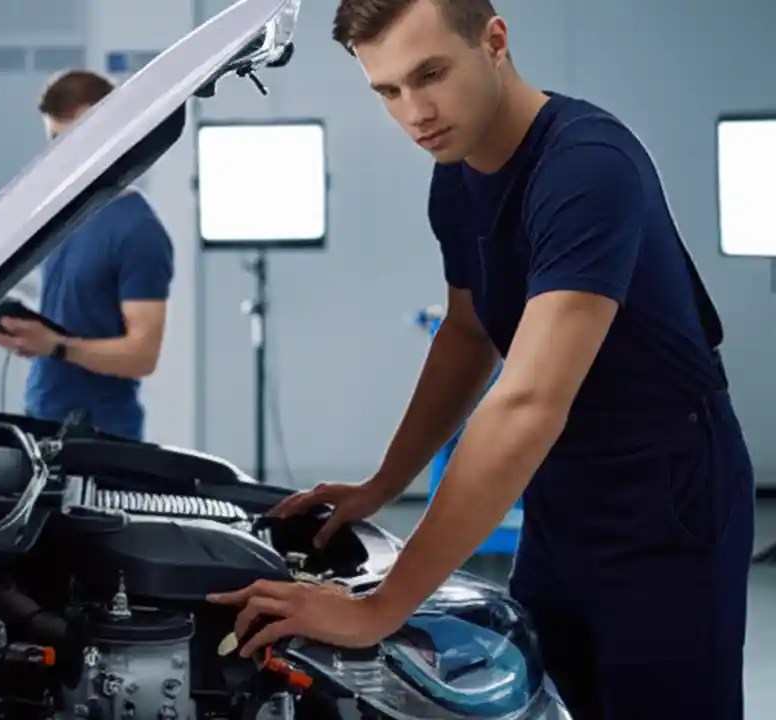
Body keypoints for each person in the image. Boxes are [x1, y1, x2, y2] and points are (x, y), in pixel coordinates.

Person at [206, 1, 754, 718]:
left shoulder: (589, 166)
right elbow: (468, 334)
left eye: (430, 74)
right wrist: (382, 483)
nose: (414, 112)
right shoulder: (458, 176)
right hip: (564, 491)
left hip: (668, 496)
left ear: (494, 41)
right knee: (551, 692)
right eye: (388, 91)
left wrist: (382, 608)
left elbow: (527, 402)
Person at [0, 69, 175, 441]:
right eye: (57, 140)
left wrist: (56, 347)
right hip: (42, 418)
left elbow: (142, 355)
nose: (67, 154)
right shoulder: (65, 217)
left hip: (101, 438)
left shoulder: (140, 231)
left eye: (78, 139)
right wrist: (29, 337)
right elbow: (71, 320)